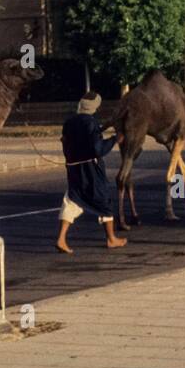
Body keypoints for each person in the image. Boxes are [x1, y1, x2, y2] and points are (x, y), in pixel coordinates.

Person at [56, 92, 127, 254]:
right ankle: (111, 238)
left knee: (72, 199)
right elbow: (97, 149)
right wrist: (114, 139)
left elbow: (65, 142)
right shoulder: (91, 123)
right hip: (91, 168)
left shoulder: (69, 122)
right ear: (95, 107)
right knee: (103, 199)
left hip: (73, 167)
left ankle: (61, 238)